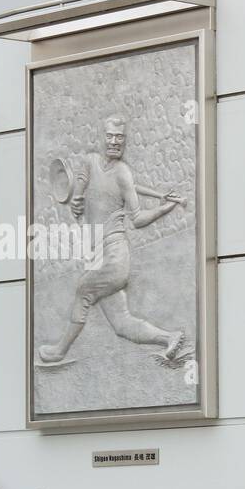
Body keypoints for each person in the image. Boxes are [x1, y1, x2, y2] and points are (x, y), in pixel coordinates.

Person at [38, 115, 188, 365]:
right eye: (110, 136)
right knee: (122, 323)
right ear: (101, 137)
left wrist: (164, 209)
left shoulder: (123, 173)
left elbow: (137, 218)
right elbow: (82, 184)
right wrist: (76, 199)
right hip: (99, 255)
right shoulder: (90, 162)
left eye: (120, 137)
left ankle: (60, 350)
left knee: (82, 290)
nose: (115, 142)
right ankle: (170, 337)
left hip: (115, 255)